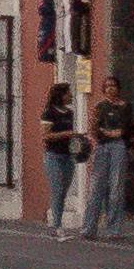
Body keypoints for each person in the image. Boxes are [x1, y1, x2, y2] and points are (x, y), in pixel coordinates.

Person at [92, 82, 134, 238]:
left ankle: (114, 229)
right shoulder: (99, 106)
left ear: (119, 88)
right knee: (97, 187)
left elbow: (125, 130)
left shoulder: (125, 107)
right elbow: (94, 128)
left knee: (116, 187)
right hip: (102, 146)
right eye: (107, 86)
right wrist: (107, 133)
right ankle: (89, 227)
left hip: (119, 146)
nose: (110, 88)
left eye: (113, 86)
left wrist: (111, 133)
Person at [41, 81, 89, 237]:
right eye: (68, 93)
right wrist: (67, 134)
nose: (71, 95)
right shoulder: (49, 113)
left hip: (68, 156)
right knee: (57, 189)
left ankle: (58, 222)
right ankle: (56, 225)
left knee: (63, 191)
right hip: (53, 156)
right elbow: (46, 136)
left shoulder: (70, 113)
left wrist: (79, 137)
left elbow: (72, 133)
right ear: (61, 95)